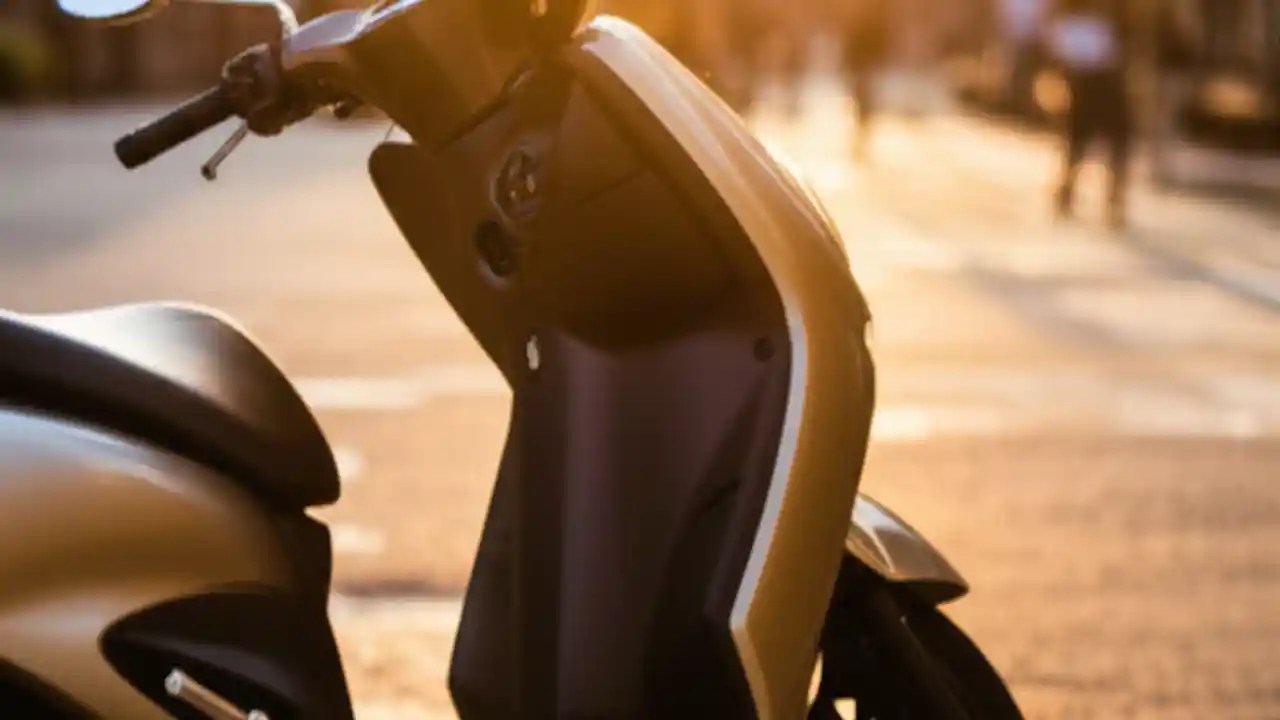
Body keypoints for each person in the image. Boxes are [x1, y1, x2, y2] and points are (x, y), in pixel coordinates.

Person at [1046, 0, 1134, 229]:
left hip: (1105, 88)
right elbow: (1067, 61)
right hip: (1085, 88)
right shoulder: (1073, 25)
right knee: (1077, 147)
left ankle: (1113, 200)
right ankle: (1068, 193)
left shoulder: (1101, 24)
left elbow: (1113, 57)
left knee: (1114, 145)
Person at [1150, 0, 1202, 187]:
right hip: (1167, 74)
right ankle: (1160, 167)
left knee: (1168, 123)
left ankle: (1163, 166)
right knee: (1164, 123)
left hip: (1173, 73)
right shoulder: (1166, 16)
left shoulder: (1177, 15)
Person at [842, 0, 891, 159]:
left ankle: (863, 129)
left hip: (865, 63)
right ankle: (861, 129)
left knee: (864, 99)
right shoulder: (869, 15)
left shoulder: (870, 15)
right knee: (862, 98)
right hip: (863, 63)